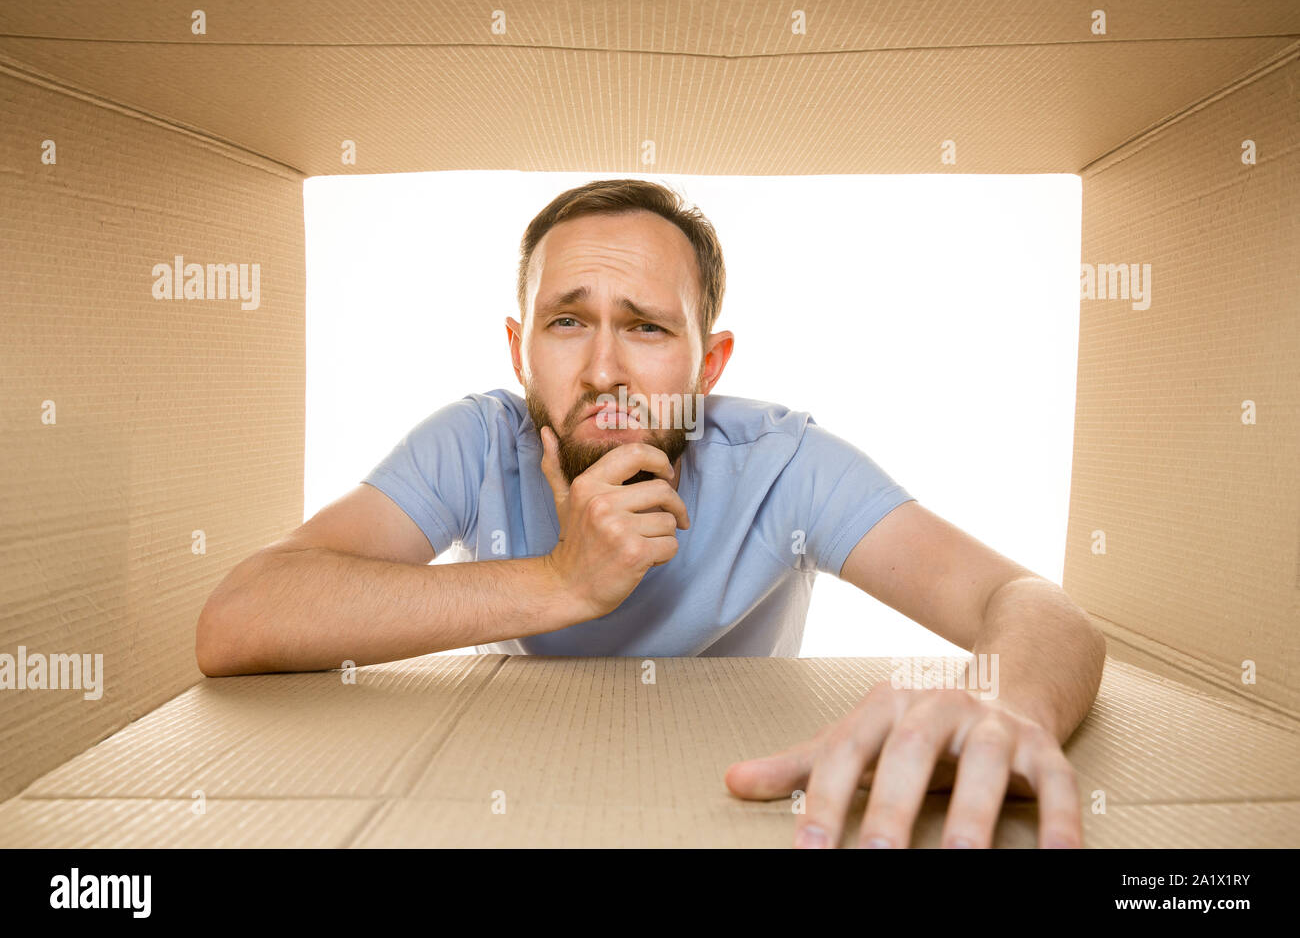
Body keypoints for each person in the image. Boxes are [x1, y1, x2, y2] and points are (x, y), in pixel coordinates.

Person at [196, 178, 1105, 849]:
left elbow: (1032, 604)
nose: (603, 372)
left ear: (709, 366)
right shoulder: (473, 442)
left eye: (647, 327)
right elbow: (240, 615)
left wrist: (1013, 709)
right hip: (509, 801)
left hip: (730, 814)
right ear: (518, 349)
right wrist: (561, 583)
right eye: (566, 322)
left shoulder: (782, 462)